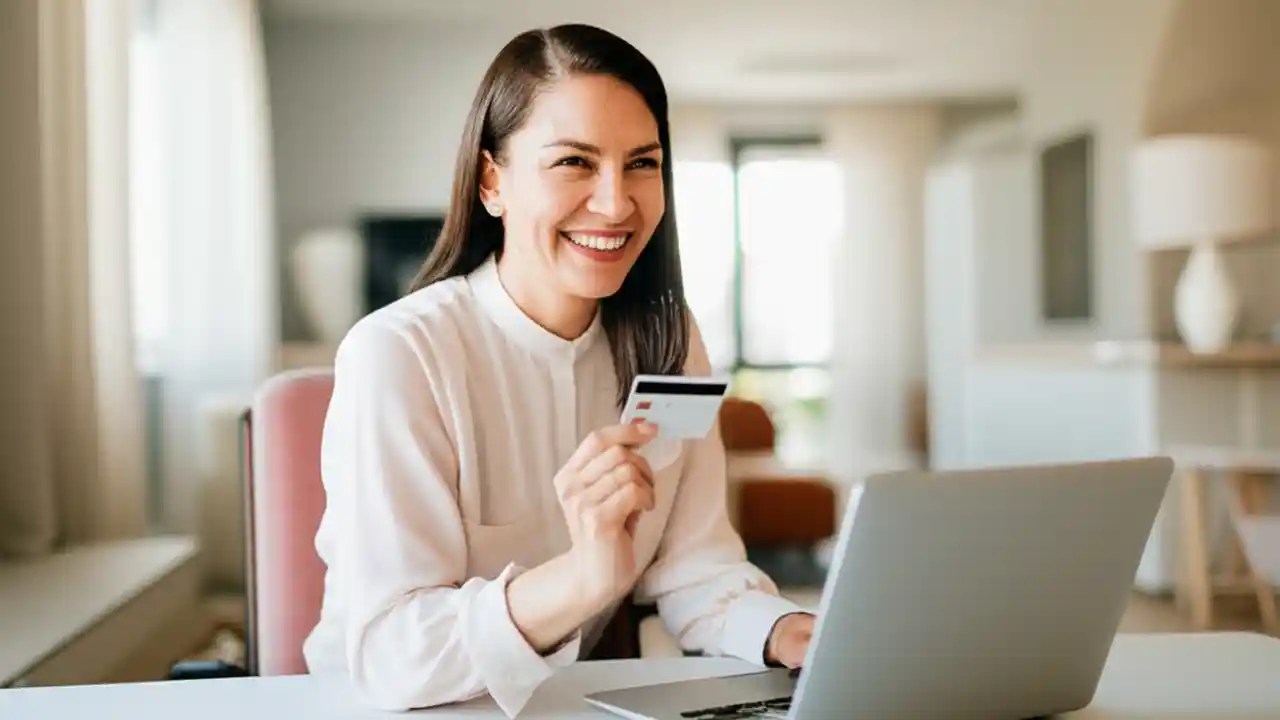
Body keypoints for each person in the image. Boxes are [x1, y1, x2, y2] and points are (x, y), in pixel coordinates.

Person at [302, 23, 816, 718]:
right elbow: (397, 656)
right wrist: (581, 577)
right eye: (574, 162)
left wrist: (789, 632)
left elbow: (697, 567)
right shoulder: (399, 354)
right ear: (492, 181)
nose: (616, 202)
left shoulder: (669, 338)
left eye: (641, 163)